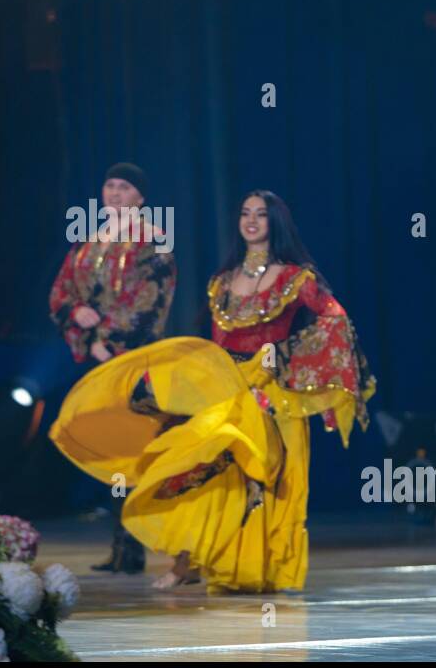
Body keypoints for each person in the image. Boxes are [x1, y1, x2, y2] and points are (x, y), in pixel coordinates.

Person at [50, 190, 374, 592]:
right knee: (194, 463)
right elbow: (217, 346)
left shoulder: (296, 278)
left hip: (272, 395)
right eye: (245, 213)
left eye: (261, 214)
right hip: (228, 389)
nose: (251, 220)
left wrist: (285, 353)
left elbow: (335, 319)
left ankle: (254, 570)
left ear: (277, 222)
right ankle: (189, 561)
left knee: (261, 482)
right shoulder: (222, 282)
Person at [48, 162, 176, 573]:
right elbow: (60, 292)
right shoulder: (88, 244)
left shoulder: (153, 241)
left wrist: (107, 338)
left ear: (140, 196)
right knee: (112, 450)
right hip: (99, 363)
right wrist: (79, 315)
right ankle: (122, 546)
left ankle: (140, 542)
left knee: (138, 449)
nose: (115, 192)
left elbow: (147, 301)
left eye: (125, 187)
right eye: (110, 184)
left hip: (134, 362)